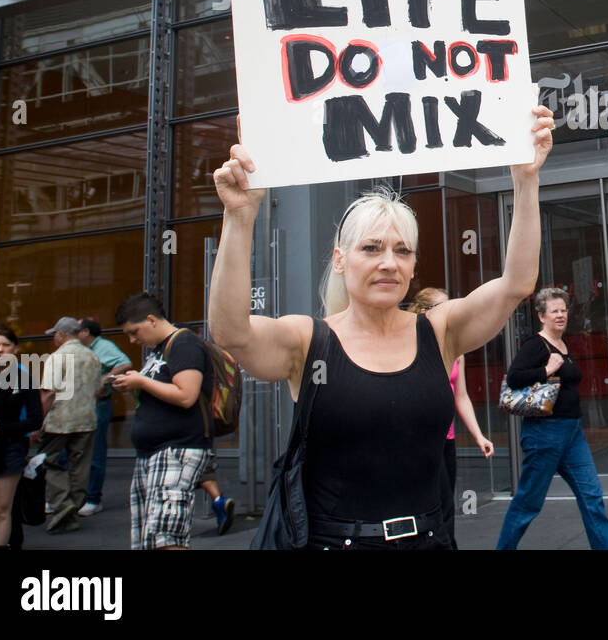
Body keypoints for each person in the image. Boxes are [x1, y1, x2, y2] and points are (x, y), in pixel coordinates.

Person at [207, 108, 555, 550]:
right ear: (339, 260)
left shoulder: (439, 331)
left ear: (413, 266)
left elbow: (517, 284)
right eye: (371, 248)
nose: (388, 262)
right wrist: (239, 217)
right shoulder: (307, 342)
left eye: (402, 251)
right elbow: (230, 331)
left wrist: (526, 181)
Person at [496, 287, 608, 550]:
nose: (560, 315)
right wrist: (545, 370)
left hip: (572, 432)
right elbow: (515, 377)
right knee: (528, 502)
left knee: (592, 496)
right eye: (554, 311)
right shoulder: (535, 345)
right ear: (542, 316)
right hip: (544, 433)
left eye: (563, 310)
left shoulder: (564, 345)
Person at [110, 294, 214, 551]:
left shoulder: (184, 343)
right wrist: (137, 382)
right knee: (151, 538)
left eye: (134, 332)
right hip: (156, 453)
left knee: (167, 538)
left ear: (151, 320)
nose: (133, 340)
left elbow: (186, 395)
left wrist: (141, 381)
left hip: (176, 449)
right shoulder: (161, 349)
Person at [406, 287, 495, 549]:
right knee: (436, 503)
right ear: (424, 312)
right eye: (444, 307)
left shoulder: (456, 348)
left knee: (446, 505)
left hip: (447, 439)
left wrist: (479, 435)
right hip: (420, 441)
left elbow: (462, 396)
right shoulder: (410, 347)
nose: (452, 313)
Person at [0, 327, 42, 550]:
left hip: (9, 448)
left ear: (16, 349)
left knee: (1, 509)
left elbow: (34, 421)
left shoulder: (24, 379)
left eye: (5, 345)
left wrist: (0, 428)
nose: (0, 350)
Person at [37, 318, 102, 533]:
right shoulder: (93, 357)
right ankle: (73, 508)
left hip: (59, 420)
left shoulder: (57, 358)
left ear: (62, 335)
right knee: (80, 467)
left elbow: (48, 393)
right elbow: (98, 390)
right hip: (87, 419)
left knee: (52, 463)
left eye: (55, 334)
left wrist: (38, 422)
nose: (54, 338)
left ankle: (63, 506)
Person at [76, 318, 131, 517]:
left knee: (95, 451)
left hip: (98, 404)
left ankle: (93, 498)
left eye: (77, 329)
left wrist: (104, 379)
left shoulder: (103, 346)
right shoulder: (83, 348)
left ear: (86, 332)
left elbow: (125, 363)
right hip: (83, 404)